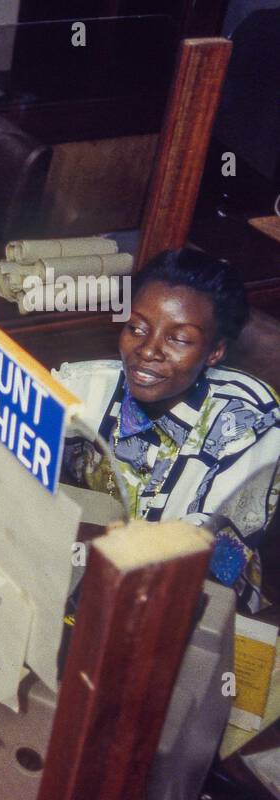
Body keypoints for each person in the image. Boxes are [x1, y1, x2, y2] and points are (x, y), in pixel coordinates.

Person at [55, 249, 280, 613]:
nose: (147, 350)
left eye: (179, 339)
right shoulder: (86, 385)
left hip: (196, 609)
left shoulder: (249, 426)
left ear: (214, 352)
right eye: (137, 328)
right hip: (81, 570)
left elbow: (195, 557)